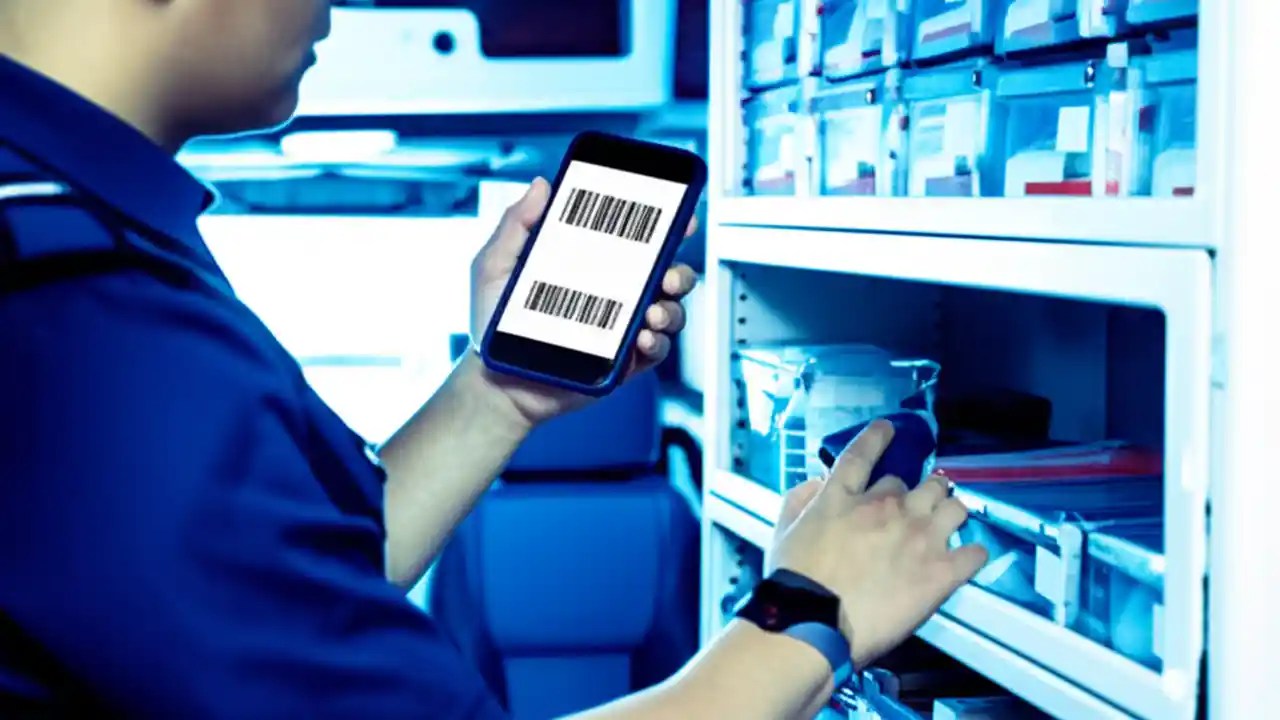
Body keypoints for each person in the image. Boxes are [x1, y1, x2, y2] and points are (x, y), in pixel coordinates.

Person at [0, 1, 988, 718]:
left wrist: (499, 394)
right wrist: (805, 612)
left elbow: (248, 596)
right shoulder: (84, 321)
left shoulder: (67, 238)